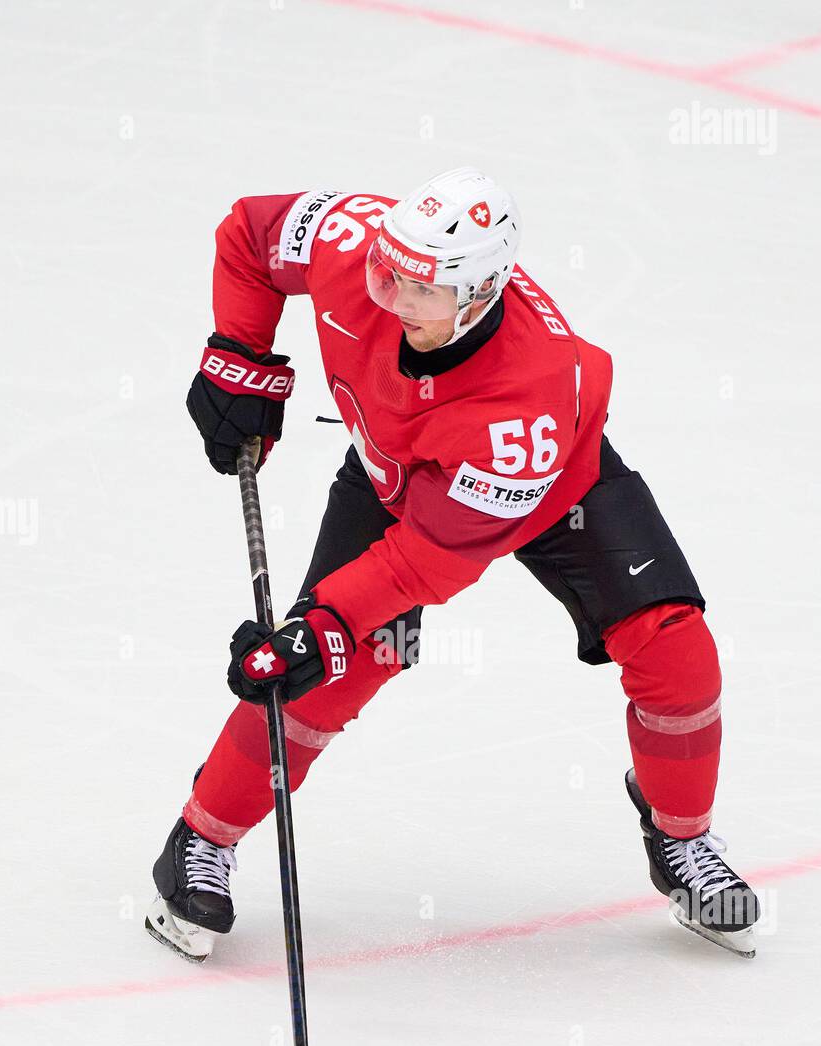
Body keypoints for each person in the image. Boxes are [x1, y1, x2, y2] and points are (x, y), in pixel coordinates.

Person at [146, 167, 759, 964]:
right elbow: (252, 236)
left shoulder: (527, 404)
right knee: (325, 675)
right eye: (388, 273)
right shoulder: (358, 244)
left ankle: (682, 838)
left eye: (422, 290)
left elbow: (424, 562)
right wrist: (239, 353)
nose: (393, 297)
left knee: (676, 650)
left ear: (481, 294)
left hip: (554, 489)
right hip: (394, 470)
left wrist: (323, 623)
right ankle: (202, 839)